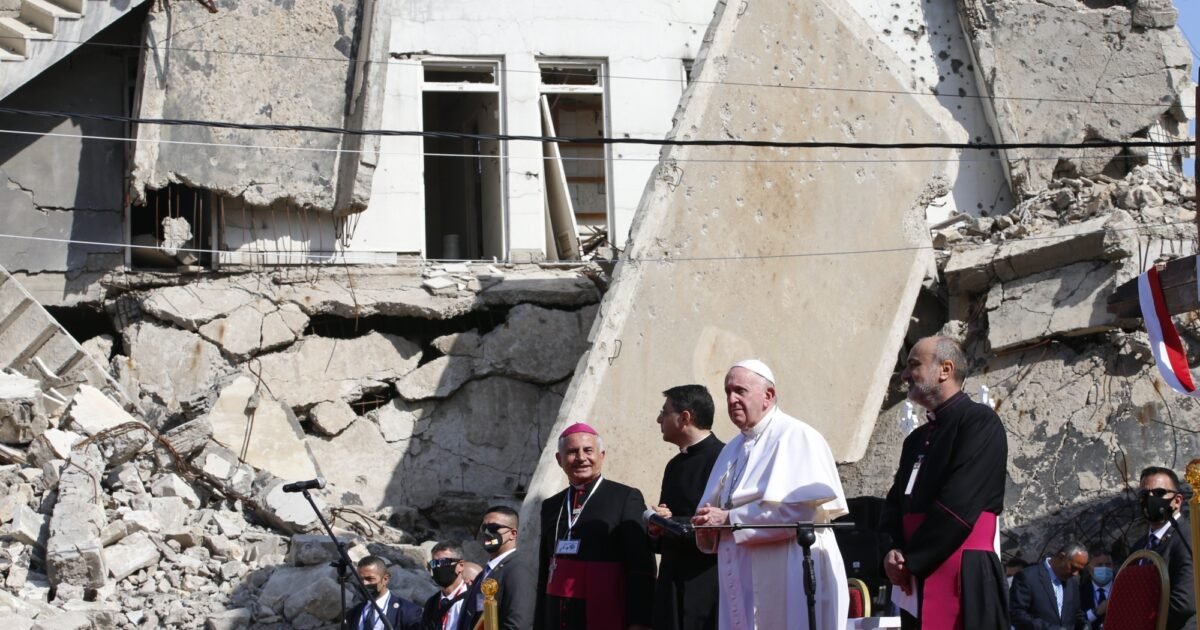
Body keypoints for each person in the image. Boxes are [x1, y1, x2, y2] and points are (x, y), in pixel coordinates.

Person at [691, 359, 850, 630]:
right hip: (740, 577)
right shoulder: (732, 449)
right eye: (728, 391)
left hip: (787, 571)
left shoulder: (797, 436)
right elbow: (716, 510)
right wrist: (706, 526)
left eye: (740, 390)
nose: (731, 399)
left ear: (768, 396)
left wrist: (728, 519)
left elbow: (799, 512)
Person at [879, 336, 1008, 629]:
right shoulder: (915, 440)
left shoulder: (980, 422)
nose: (904, 374)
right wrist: (891, 553)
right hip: (917, 573)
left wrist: (911, 560)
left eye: (913, 365)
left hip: (963, 573)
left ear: (945, 370)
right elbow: (893, 506)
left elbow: (959, 504)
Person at [535, 422, 655, 630]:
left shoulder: (625, 497)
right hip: (557, 614)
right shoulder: (551, 505)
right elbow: (544, 570)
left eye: (588, 450)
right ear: (559, 459)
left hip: (606, 611)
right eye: (572, 452)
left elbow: (641, 566)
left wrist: (640, 622)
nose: (581, 458)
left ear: (602, 455)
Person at [648, 385, 723, 630]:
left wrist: (672, 523)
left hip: (708, 583)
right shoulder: (673, 465)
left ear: (685, 417)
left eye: (664, 412)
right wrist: (657, 526)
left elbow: (724, 523)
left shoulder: (725, 458)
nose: (659, 418)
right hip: (671, 583)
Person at [458, 506, 536, 630]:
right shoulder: (485, 572)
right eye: (484, 528)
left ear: (513, 534)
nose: (487, 533)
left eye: (494, 528)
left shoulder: (517, 571)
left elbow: (518, 625)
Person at [1138, 466, 1196, 630]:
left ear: (1177, 500)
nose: (1150, 499)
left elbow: (1185, 603)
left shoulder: (1188, 539)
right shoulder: (1139, 547)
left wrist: (1141, 622)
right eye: (1144, 495)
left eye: (1158, 493)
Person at [1009, 543, 1088, 630]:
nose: (1075, 573)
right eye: (1073, 567)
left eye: (1079, 571)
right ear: (1061, 557)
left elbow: (1076, 614)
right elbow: (1017, 614)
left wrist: (1084, 626)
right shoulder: (1028, 577)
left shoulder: (1072, 583)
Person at [346, 555, 423, 630]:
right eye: (360, 579)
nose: (364, 583)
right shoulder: (354, 612)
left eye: (370, 579)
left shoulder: (407, 611)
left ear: (385, 579)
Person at [422, 542, 468, 630]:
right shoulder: (431, 603)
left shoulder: (473, 598)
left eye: (444, 562)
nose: (438, 567)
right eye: (434, 563)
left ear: (460, 565)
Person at [1078, 548, 1113, 630]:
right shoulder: (1079, 592)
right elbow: (1077, 623)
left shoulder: (1124, 589)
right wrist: (1095, 612)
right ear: (1089, 569)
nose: (1104, 568)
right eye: (1099, 565)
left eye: (1108, 564)